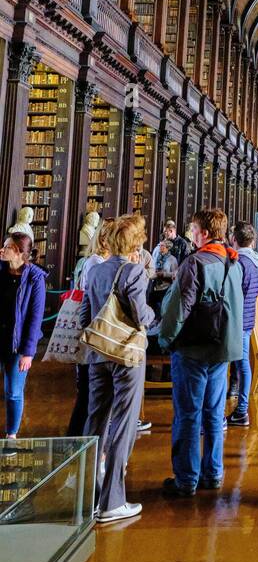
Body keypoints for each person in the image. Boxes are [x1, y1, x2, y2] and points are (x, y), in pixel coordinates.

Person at [158, 208, 243, 498]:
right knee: (214, 413)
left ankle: (186, 478)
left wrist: (165, 339)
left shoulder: (195, 263)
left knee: (188, 414)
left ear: (204, 233)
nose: (190, 234)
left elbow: (178, 307)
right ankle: (213, 473)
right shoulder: (234, 263)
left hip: (193, 348)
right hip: (221, 350)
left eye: (193, 229)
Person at [79, 215, 154, 523]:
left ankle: (85, 492)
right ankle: (111, 501)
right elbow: (140, 316)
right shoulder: (133, 272)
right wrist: (153, 316)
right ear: (134, 243)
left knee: (95, 418)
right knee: (124, 422)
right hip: (126, 356)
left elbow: (86, 313)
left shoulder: (95, 269)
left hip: (98, 355)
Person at [0, 233, 46, 438]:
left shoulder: (35, 278)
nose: (2, 250)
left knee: (13, 392)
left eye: (7, 247)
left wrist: (28, 352)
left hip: (17, 344)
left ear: (18, 253)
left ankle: (11, 435)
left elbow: (35, 318)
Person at [68, 220, 112, 435]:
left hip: (94, 332)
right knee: (86, 390)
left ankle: (81, 435)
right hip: (92, 332)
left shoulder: (98, 261)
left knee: (89, 389)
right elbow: (94, 300)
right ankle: (77, 437)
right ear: (106, 239)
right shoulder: (96, 263)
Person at [226, 221, 258, 428]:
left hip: (237, 319)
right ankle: (239, 405)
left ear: (234, 240)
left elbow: (233, 292)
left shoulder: (239, 262)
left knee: (241, 365)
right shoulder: (256, 261)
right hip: (247, 317)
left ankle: (241, 410)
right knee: (241, 364)